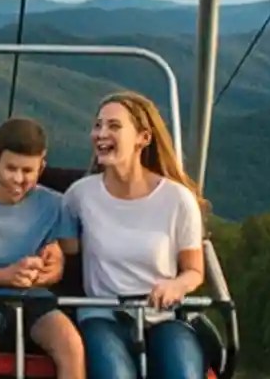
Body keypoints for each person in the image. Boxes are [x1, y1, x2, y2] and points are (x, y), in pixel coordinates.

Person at [59, 91, 208, 379]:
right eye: (98, 125)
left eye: (114, 126)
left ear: (143, 137)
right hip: (103, 314)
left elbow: (194, 271)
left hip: (162, 315)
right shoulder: (80, 195)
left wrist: (175, 286)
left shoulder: (177, 200)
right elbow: (64, 249)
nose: (101, 133)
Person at [0, 117, 85, 379]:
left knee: (71, 346)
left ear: (41, 167)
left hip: (36, 297)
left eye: (28, 171)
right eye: (11, 169)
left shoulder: (55, 204)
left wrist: (55, 263)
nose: (18, 180)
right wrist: (7, 275)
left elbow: (68, 252)